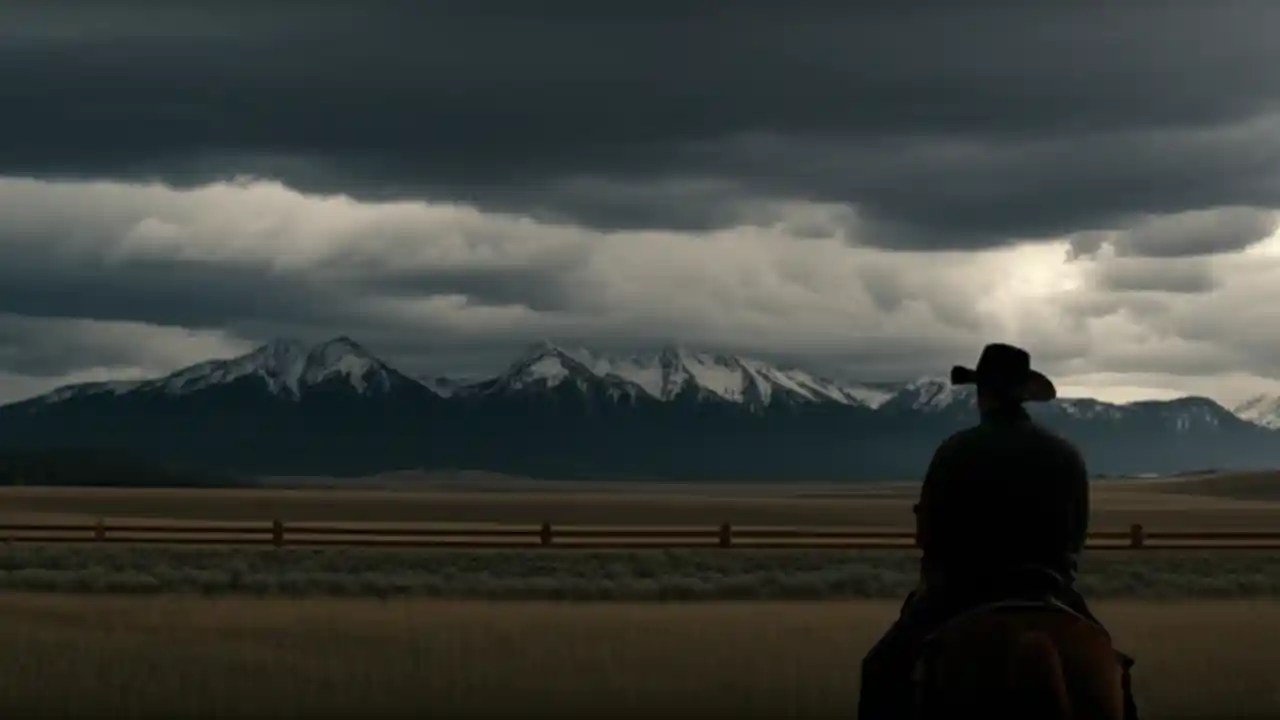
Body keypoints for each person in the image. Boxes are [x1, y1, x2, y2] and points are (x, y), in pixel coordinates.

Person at [857, 342, 1137, 720]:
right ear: (1025, 395)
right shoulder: (1066, 454)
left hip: (961, 592)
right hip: (1050, 589)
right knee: (1115, 670)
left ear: (981, 394)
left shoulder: (955, 450)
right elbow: (1076, 536)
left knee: (881, 669)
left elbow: (930, 535)